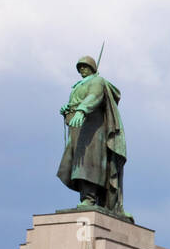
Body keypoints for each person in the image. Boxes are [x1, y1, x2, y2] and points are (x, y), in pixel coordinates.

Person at [56, 55, 130, 218]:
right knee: (77, 163)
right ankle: (86, 197)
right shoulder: (77, 86)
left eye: (85, 66)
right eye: (80, 67)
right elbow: (77, 102)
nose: (82, 69)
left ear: (92, 67)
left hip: (92, 130)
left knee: (88, 163)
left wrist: (82, 110)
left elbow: (94, 97)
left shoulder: (97, 81)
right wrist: (68, 110)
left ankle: (89, 198)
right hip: (78, 130)